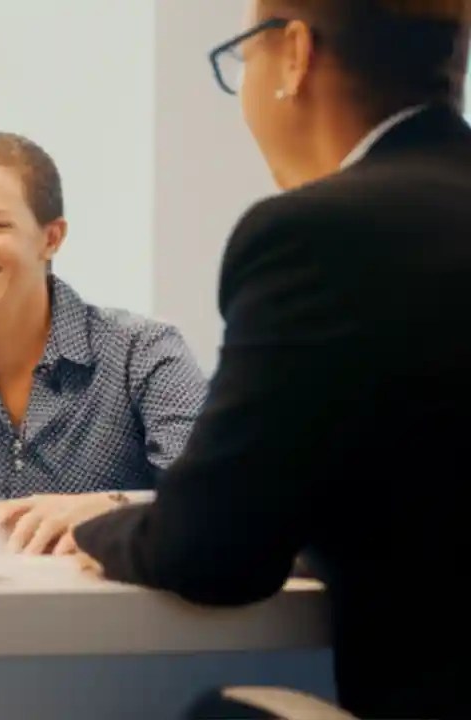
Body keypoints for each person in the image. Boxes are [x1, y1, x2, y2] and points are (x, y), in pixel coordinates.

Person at [72, 1, 470, 717]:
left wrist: (88, 529)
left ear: (293, 54)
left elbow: (210, 553)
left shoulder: (319, 235)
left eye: (241, 56)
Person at [0, 132, 208, 555]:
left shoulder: (143, 349)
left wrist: (107, 508)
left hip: (116, 609)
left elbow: (210, 496)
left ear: (51, 239)